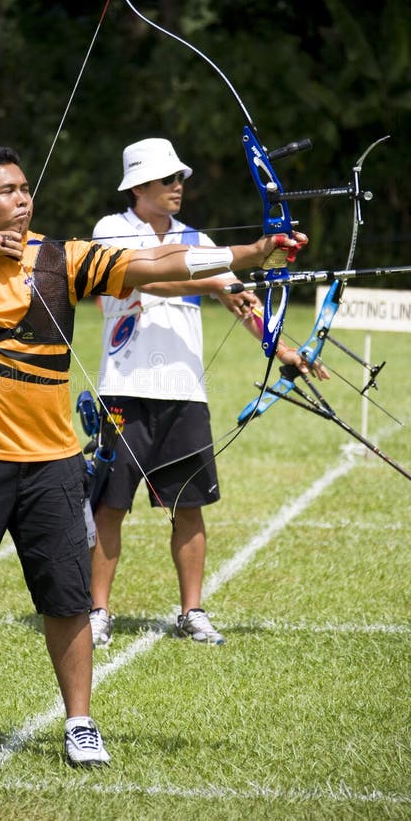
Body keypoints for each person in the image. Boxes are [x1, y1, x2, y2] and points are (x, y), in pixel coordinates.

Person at [0, 144, 308, 772]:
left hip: (52, 461)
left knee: (68, 600)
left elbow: (156, 262)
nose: (22, 199)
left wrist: (249, 254)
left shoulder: (62, 258)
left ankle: (80, 723)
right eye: (6, 192)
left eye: (24, 189)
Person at [88, 138, 328, 648]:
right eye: (168, 179)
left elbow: (241, 299)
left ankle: (191, 611)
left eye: (180, 178)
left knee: (189, 506)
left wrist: (281, 347)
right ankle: (97, 612)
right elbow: (142, 277)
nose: (179, 186)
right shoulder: (110, 231)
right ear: (140, 185)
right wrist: (216, 280)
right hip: (124, 388)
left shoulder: (196, 240)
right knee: (110, 506)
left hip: (183, 391)